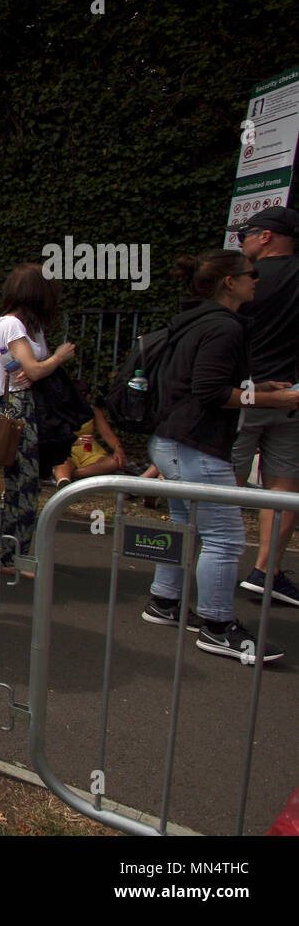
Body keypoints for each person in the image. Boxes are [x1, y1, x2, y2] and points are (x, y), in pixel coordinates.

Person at [143, 250, 297, 663]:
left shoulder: (193, 320)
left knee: (183, 526)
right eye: (252, 275)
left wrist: (260, 386)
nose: (257, 281)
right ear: (230, 282)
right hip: (196, 444)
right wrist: (274, 396)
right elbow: (211, 391)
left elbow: (200, 380)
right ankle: (216, 626)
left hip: (174, 438)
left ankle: (165, 600)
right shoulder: (223, 327)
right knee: (225, 538)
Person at [230, 207, 299, 605]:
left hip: (243, 397)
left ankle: (204, 570)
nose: (242, 243)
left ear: (266, 236)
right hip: (291, 397)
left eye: (245, 235)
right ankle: (266, 571)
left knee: (223, 487)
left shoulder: (244, 280)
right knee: (283, 487)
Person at [0, 263, 75, 571]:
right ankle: (12, 556)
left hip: (24, 405)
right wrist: (59, 357)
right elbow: (34, 369)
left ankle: (6, 545)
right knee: (23, 485)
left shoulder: (27, 326)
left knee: (21, 484)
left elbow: (33, 370)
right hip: (17, 407)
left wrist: (41, 367)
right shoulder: (13, 325)